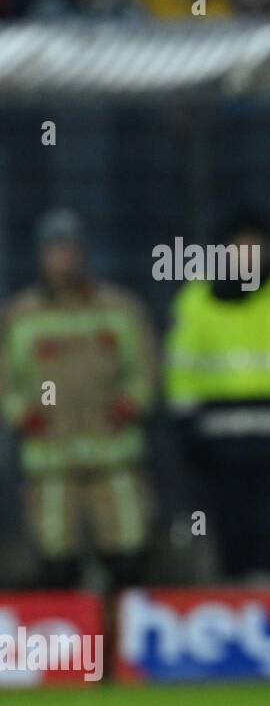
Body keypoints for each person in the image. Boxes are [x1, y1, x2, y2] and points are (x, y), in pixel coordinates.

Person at [164, 213, 270, 582]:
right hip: (220, 445)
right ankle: (237, 608)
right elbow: (182, 371)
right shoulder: (197, 300)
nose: (248, 254)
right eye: (240, 245)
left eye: (256, 245)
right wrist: (186, 428)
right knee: (230, 532)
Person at [0, 209, 156, 593]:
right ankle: (73, 647)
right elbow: (6, 381)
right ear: (41, 257)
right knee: (55, 558)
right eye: (53, 251)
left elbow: (146, 369)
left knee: (128, 553)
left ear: (82, 253)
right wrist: (21, 415)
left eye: (68, 250)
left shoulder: (120, 309)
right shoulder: (20, 316)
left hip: (114, 458)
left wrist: (131, 404)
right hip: (50, 461)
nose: (61, 260)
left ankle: (122, 645)